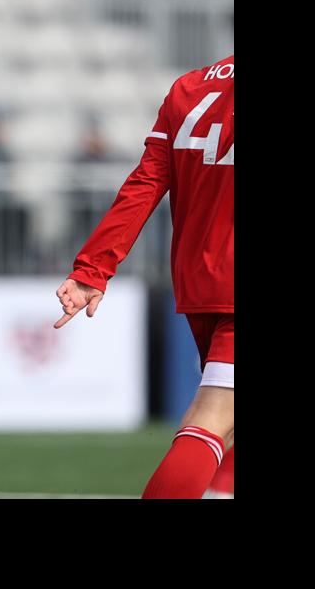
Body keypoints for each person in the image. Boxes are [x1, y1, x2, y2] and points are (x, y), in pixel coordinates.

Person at [56, 55, 234, 499]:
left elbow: (146, 182)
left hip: (201, 285)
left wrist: (93, 268)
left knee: (221, 427)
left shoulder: (190, 88)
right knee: (211, 419)